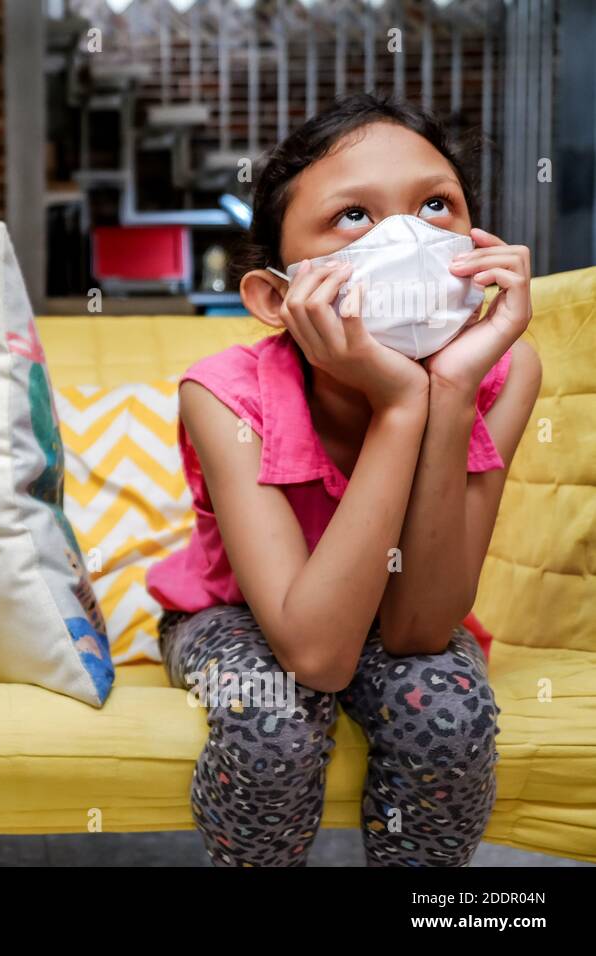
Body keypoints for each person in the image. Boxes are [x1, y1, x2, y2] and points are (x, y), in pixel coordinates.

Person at [147, 94, 542, 866]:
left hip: (393, 610)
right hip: (242, 615)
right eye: (353, 216)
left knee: (450, 710)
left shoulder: (502, 370)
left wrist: (449, 391)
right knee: (274, 719)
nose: (407, 236)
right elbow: (317, 654)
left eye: (436, 204)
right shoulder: (223, 394)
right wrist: (399, 406)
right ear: (274, 295)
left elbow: (421, 628)